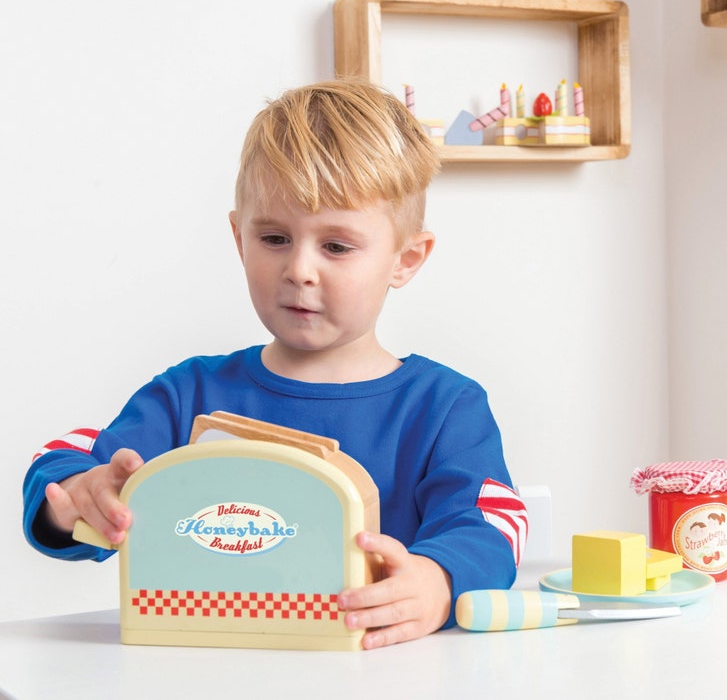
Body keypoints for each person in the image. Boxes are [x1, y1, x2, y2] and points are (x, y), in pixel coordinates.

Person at [22, 80, 527, 649]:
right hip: (206, 672)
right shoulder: (188, 393)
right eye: (275, 238)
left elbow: (491, 524)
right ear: (240, 239)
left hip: (377, 673)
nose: (300, 270)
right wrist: (77, 494)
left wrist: (438, 581)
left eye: (336, 246)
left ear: (405, 259)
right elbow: (67, 462)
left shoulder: (444, 407)